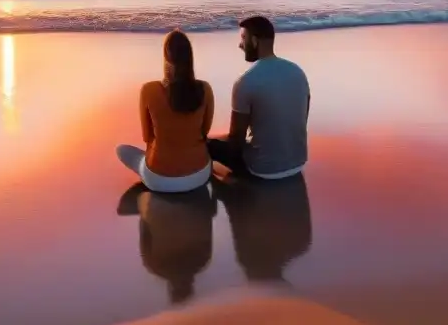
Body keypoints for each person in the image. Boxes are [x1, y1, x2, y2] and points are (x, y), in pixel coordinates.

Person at [208, 16, 309, 179]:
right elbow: (302, 118)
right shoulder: (297, 71)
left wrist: (211, 140)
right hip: (298, 163)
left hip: (263, 169)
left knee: (207, 145)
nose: (240, 45)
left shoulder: (246, 81)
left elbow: (236, 141)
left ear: (254, 41)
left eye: (243, 38)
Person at [116, 30, 215, 193]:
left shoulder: (149, 89)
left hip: (159, 179)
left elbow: (147, 137)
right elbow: (204, 131)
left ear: (166, 58)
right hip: (199, 175)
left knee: (121, 150)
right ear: (190, 58)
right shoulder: (205, 89)